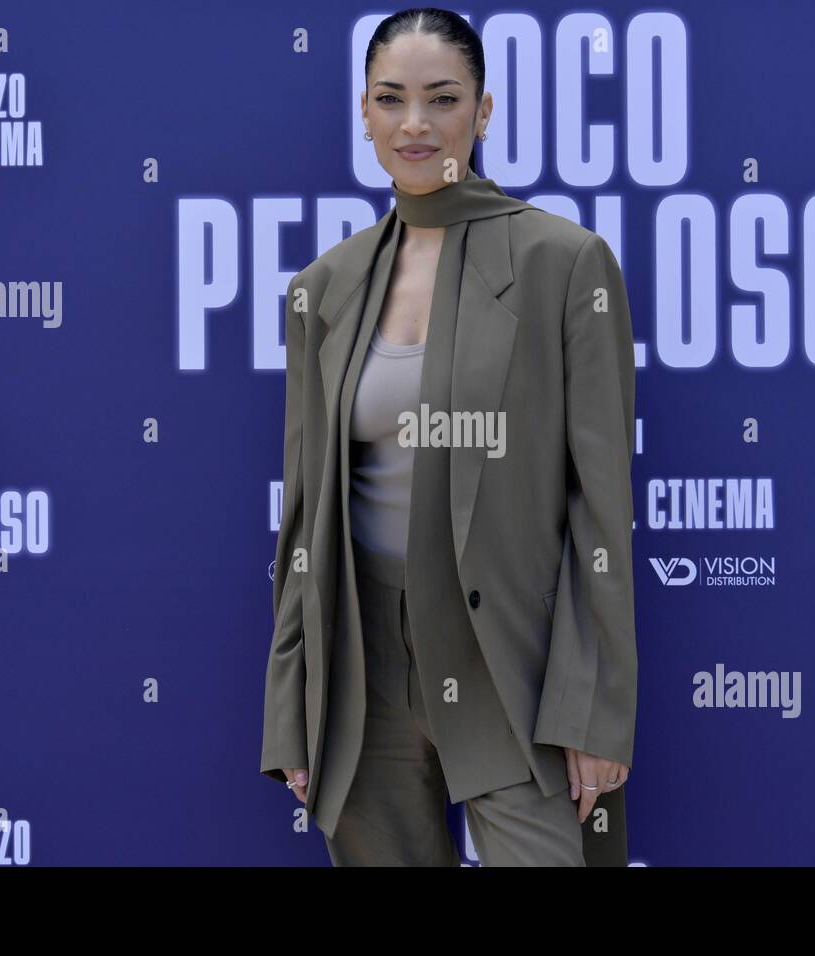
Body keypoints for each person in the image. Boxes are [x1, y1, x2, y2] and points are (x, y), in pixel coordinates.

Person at [260, 7, 637, 866]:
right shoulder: (325, 286)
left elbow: (601, 508)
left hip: (513, 664)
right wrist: (295, 705)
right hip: (362, 673)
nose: (415, 124)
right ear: (363, 113)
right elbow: (307, 513)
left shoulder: (565, 264)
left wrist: (595, 710)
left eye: (442, 98)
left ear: (484, 110)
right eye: (391, 99)